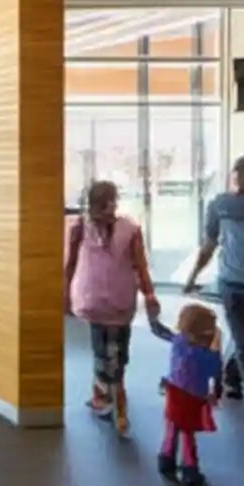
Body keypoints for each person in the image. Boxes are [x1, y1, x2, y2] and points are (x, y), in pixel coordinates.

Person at [65, 180, 160, 435]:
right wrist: (149, 295)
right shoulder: (129, 229)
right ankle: (118, 406)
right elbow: (140, 267)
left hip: (90, 299)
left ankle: (101, 394)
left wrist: (64, 296)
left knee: (101, 349)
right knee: (116, 353)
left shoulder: (80, 228)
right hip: (119, 301)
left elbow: (70, 266)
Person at [183, 154, 244, 401]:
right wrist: (192, 277)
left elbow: (208, 247)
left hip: (232, 283)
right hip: (233, 284)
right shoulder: (221, 206)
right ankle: (234, 379)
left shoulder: (220, 205)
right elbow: (208, 247)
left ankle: (231, 378)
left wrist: (192, 277)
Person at [150, 303, 223, 486]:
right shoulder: (207, 356)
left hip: (174, 391)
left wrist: (153, 318)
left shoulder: (179, 342)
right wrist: (216, 348)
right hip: (194, 398)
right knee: (188, 433)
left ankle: (166, 458)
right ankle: (190, 469)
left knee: (172, 426)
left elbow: (161, 331)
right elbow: (216, 372)